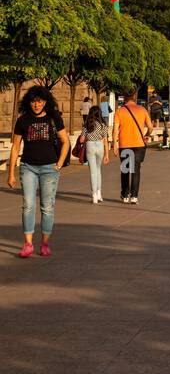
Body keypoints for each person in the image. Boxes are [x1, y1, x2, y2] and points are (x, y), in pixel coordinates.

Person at [5, 86, 70, 257]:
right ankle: (28, 244)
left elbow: (65, 141)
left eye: (40, 101)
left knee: (47, 207)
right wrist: (11, 173)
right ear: (29, 102)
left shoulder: (53, 118)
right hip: (28, 167)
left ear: (45, 102)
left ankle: (44, 243)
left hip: (50, 168)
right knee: (28, 205)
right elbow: (15, 147)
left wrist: (59, 164)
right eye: (33, 101)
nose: (36, 104)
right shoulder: (23, 120)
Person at [112, 90, 153, 204]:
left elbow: (115, 129)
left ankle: (125, 195)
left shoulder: (119, 111)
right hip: (139, 145)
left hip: (124, 145)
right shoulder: (142, 110)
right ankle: (134, 196)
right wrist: (147, 135)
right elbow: (150, 127)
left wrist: (115, 144)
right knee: (135, 170)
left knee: (125, 170)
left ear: (125, 99)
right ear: (134, 98)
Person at [81, 104, 109, 204]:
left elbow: (81, 139)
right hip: (100, 146)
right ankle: (99, 193)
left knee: (93, 172)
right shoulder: (103, 125)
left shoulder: (87, 124)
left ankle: (94, 196)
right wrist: (107, 155)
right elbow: (106, 140)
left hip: (90, 146)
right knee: (98, 170)